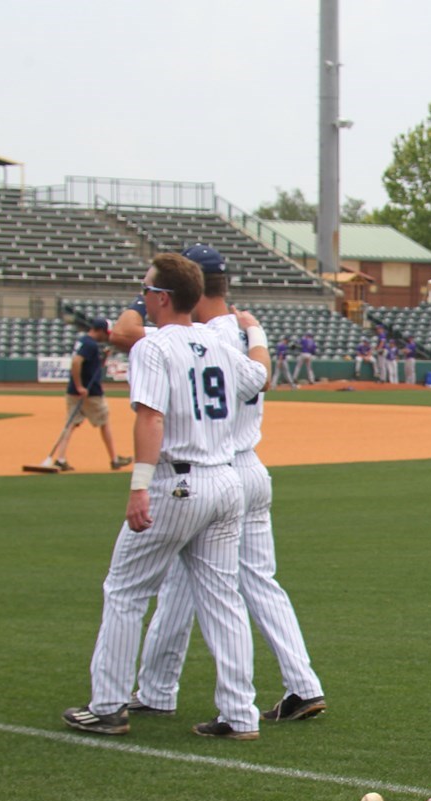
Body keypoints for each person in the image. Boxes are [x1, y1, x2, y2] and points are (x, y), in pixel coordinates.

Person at [61, 252, 271, 740]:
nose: (144, 295)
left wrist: (139, 486)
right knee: (222, 600)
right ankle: (240, 714)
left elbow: (151, 417)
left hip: (176, 482)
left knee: (125, 591)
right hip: (226, 481)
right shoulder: (219, 342)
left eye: (147, 288)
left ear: (161, 297)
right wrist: (257, 335)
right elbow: (260, 377)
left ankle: (108, 706)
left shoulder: (152, 347)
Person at [127, 243, 328, 731]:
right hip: (252, 467)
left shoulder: (199, 336)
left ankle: (159, 690)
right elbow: (261, 378)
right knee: (257, 581)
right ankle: (303, 684)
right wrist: (256, 330)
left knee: (186, 585)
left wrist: (144, 296)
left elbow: (124, 333)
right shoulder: (241, 330)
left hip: (216, 469)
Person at [52, 316, 131, 472]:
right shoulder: (90, 344)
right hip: (90, 392)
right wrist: (80, 386)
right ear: (100, 330)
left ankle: (60, 458)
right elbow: (76, 362)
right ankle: (114, 459)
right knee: (104, 422)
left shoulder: (83, 341)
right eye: (105, 333)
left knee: (71, 423)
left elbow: (91, 366)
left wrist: (104, 357)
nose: (106, 337)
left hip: (74, 391)